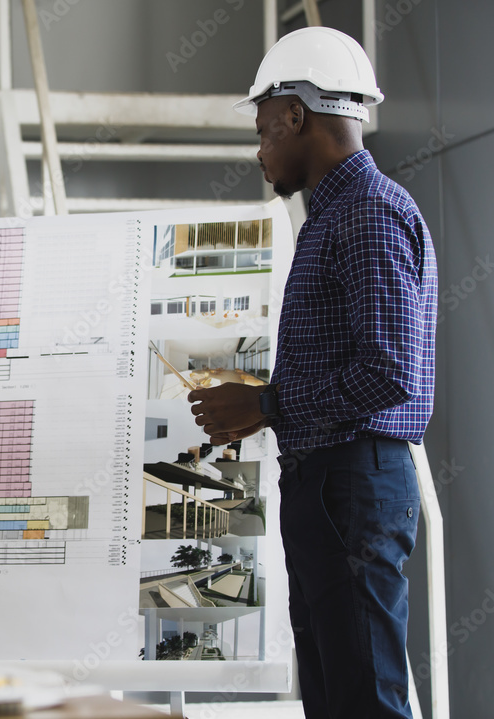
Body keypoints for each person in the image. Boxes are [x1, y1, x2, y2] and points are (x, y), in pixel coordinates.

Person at [187, 28, 437, 719]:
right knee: (335, 697)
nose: (260, 146)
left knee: (367, 699)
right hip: (330, 484)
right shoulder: (336, 216)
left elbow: (390, 371)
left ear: (297, 114)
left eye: (265, 127)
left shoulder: (368, 214)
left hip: (352, 483)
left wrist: (266, 403)